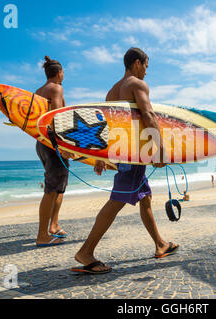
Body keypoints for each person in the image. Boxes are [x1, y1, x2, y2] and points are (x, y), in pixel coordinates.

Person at [73, 48, 178, 274]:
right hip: (133, 154)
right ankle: (86, 252)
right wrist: (160, 147)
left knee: (146, 198)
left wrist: (101, 155)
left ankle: (160, 244)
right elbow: (148, 114)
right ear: (137, 63)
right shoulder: (137, 85)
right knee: (116, 201)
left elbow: (108, 126)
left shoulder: (111, 92)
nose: (147, 73)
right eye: (146, 66)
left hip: (123, 153)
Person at [35, 56, 74, 247]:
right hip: (53, 144)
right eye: (63, 72)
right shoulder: (56, 88)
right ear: (59, 73)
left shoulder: (38, 91)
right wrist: (64, 146)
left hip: (41, 144)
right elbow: (56, 117)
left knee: (58, 186)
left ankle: (54, 225)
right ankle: (42, 235)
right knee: (51, 190)